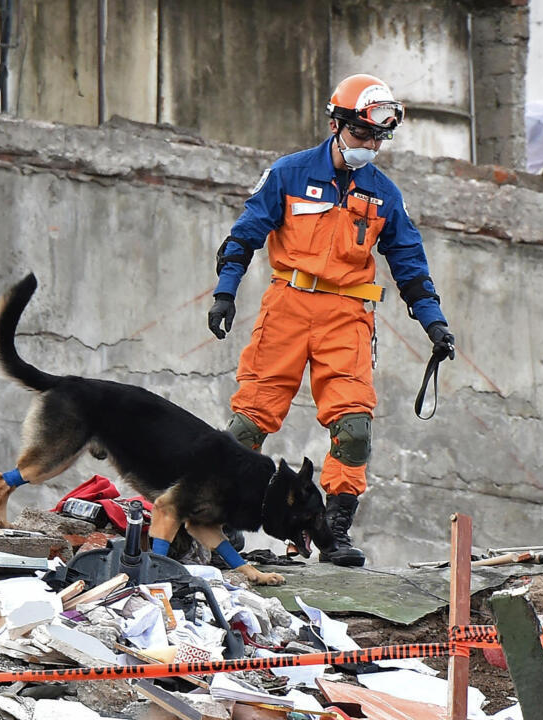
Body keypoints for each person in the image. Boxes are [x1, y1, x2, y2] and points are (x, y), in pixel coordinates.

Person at [205, 73, 454, 568]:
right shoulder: (289, 173)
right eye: (362, 134)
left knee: (354, 428)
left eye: (378, 137)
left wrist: (434, 323)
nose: (370, 144)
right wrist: (224, 294)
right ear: (338, 123)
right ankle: (222, 519)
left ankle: (334, 531)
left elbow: (410, 265)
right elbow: (245, 233)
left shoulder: (383, 194)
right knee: (250, 420)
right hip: (289, 305)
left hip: (348, 316)